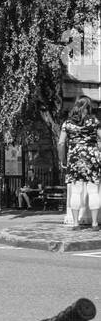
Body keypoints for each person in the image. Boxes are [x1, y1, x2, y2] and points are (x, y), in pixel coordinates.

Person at [58, 97, 101, 230]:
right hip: (92, 157)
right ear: (88, 107)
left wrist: (62, 159)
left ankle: (76, 223)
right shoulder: (94, 122)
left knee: (76, 191)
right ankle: (94, 223)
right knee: (93, 191)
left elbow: (61, 143)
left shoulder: (67, 123)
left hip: (75, 158)